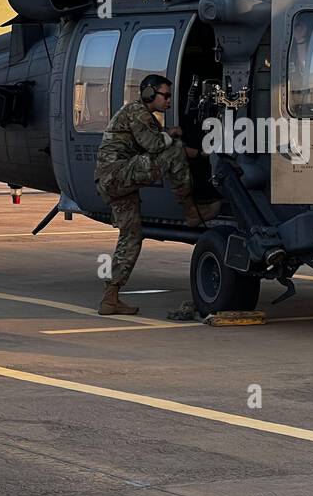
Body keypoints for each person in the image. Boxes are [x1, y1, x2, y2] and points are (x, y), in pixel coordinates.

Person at [93, 74, 221, 315]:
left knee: (132, 235)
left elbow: (172, 148)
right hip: (117, 174)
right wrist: (172, 134)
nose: (169, 102)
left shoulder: (145, 118)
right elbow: (157, 146)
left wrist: (204, 155)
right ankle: (191, 211)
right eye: (166, 96)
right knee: (171, 151)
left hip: (115, 181)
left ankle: (110, 297)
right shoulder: (137, 113)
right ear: (149, 94)